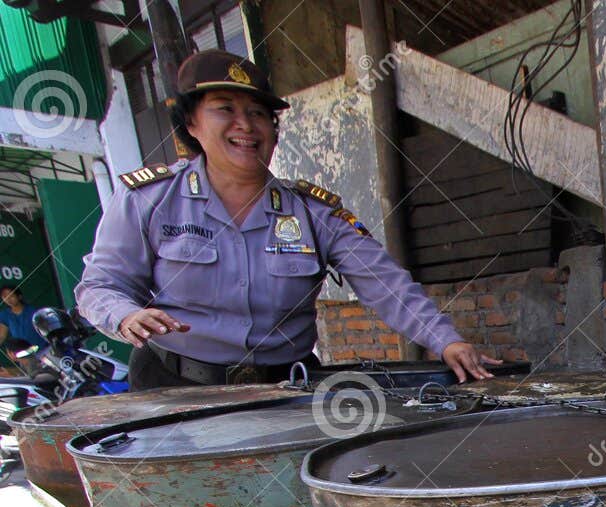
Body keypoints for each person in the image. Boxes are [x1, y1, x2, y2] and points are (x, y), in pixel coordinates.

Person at [77, 50, 498, 390]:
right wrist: (125, 316)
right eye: (225, 109)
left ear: (275, 130)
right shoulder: (149, 199)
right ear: (192, 123)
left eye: (259, 114)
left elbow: (384, 283)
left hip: (286, 391)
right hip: (173, 390)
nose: (246, 125)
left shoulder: (313, 212)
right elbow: (100, 286)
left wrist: (447, 341)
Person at [0, 285, 43, 374]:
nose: (8, 299)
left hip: (40, 351)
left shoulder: (33, 311)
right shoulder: (5, 315)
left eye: (11, 295)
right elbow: (1, 335)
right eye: (4, 297)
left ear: (19, 296)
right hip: (23, 354)